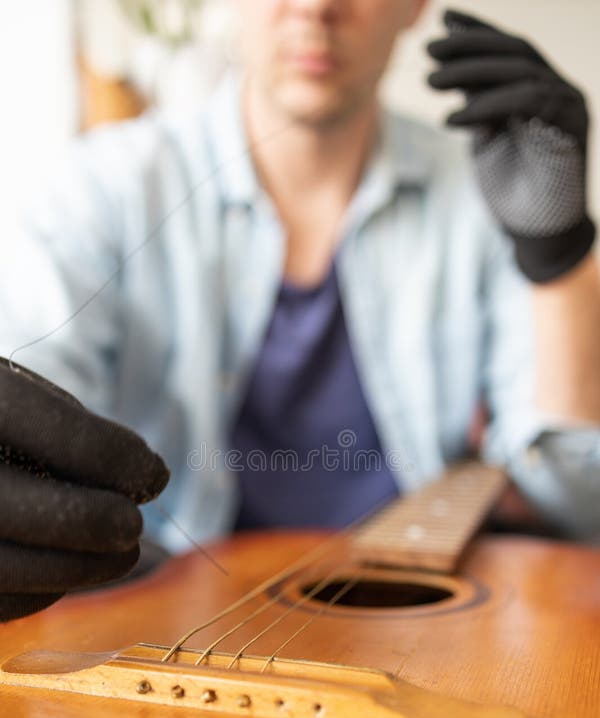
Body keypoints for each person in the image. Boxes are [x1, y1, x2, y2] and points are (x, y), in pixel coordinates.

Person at [1, 1, 599, 622]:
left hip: (418, 628)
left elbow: (574, 501)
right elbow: (31, 402)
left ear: (415, 7)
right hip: (163, 634)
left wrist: (557, 255)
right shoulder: (101, 188)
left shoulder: (489, 193)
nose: (316, 7)